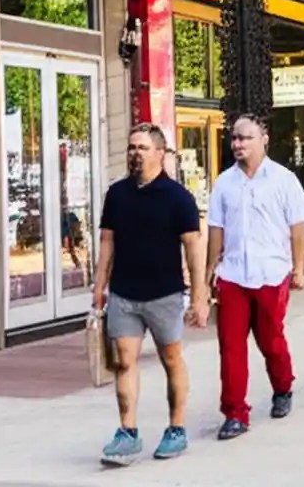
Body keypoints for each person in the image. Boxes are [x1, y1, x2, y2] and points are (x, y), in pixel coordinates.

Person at [94, 123, 208, 466]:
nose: (135, 153)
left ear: (160, 152)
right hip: (124, 294)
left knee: (171, 359)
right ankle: (127, 432)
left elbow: (193, 248)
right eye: (131, 147)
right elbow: (107, 241)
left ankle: (176, 428)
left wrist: (200, 296)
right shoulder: (117, 194)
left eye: (142, 147)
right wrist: (100, 286)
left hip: (165, 294)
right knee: (124, 361)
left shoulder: (179, 198)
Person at [206, 114, 304, 441]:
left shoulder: (283, 180)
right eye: (235, 138)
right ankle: (235, 412)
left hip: (271, 272)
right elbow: (216, 229)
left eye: (245, 138)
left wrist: (298, 268)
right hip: (234, 274)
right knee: (231, 346)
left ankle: (283, 387)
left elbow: (299, 227)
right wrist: (210, 269)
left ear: (263, 139)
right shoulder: (224, 182)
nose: (238, 144)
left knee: (271, 340)